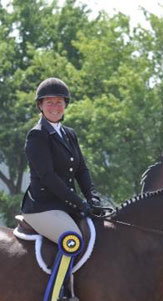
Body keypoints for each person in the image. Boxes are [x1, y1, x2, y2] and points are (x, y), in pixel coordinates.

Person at [21, 77, 103, 244]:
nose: (55, 107)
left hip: (66, 206)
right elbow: (48, 177)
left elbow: (81, 170)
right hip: (43, 207)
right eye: (49, 102)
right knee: (73, 240)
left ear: (65, 105)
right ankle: (62, 272)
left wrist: (93, 198)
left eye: (59, 102)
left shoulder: (69, 134)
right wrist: (79, 203)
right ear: (40, 105)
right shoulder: (37, 135)